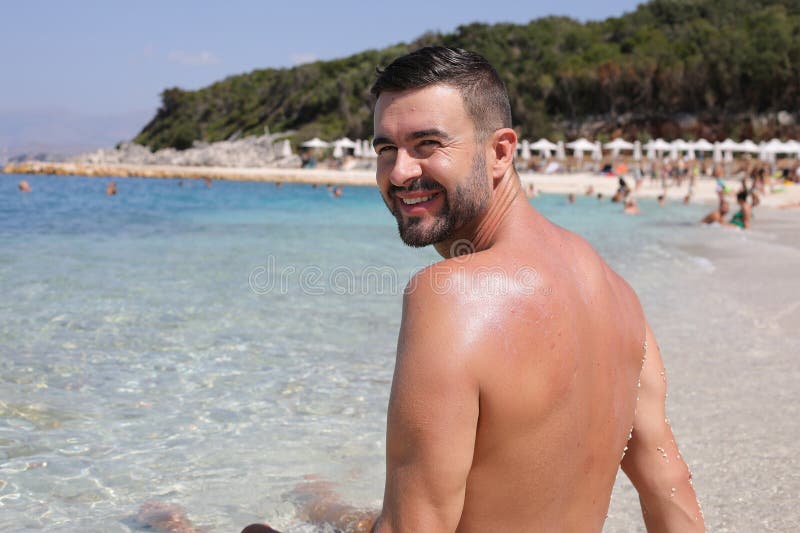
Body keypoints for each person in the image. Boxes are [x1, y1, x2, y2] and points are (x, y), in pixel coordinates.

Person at [243, 46, 704, 532]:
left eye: (427, 144)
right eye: (386, 149)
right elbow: (669, 489)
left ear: (500, 151)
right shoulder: (619, 295)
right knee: (341, 514)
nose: (399, 172)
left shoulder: (450, 295)